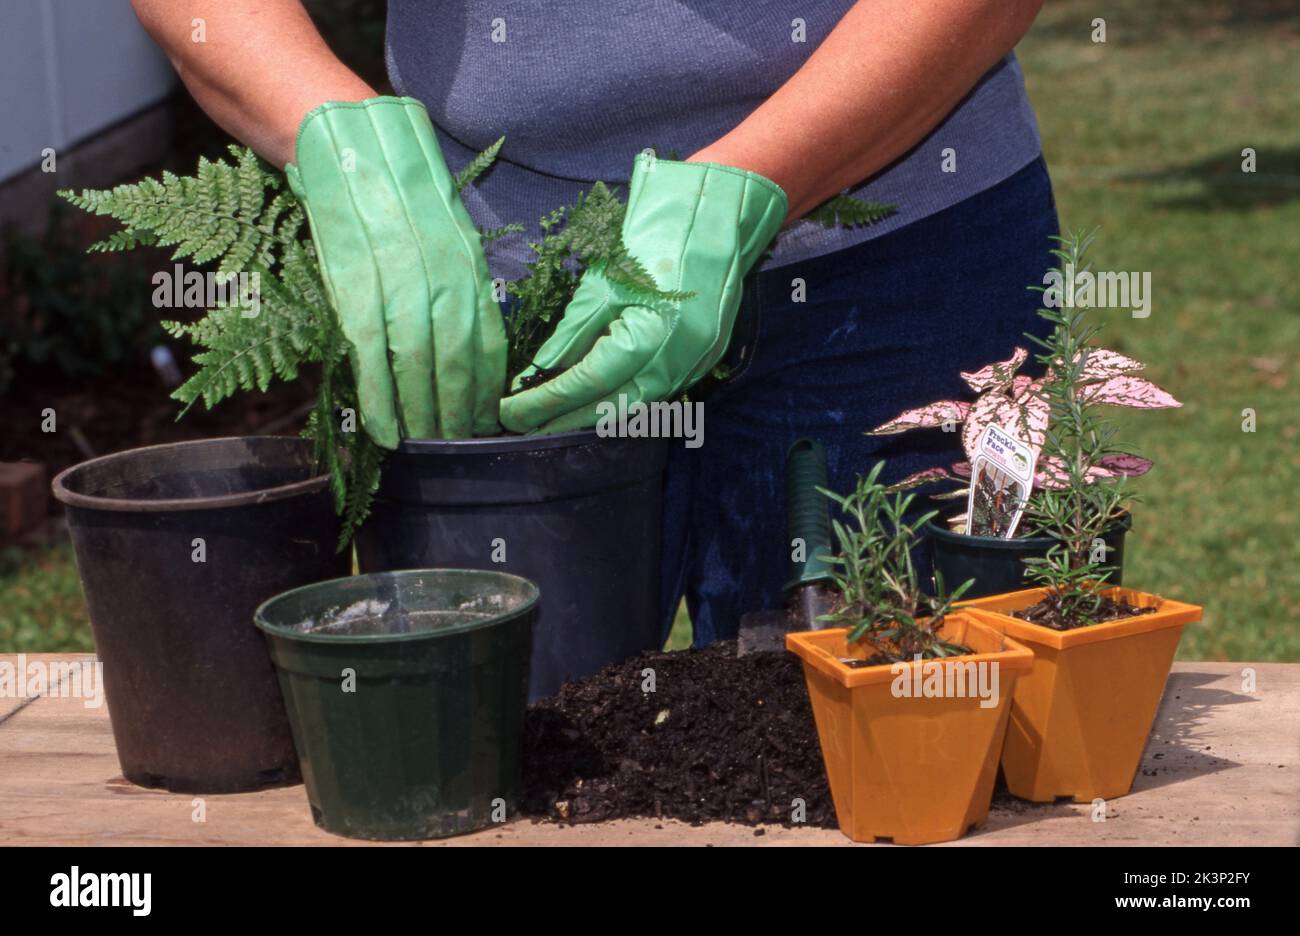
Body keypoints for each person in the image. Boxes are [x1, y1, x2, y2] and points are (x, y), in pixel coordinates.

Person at [133, 0, 1054, 645]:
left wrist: (763, 178)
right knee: (501, 751)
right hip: (497, 295)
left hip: (897, 269)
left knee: (902, 748)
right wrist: (318, 122)